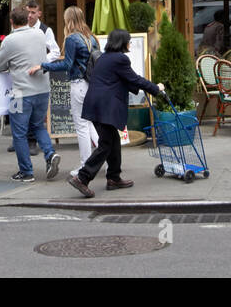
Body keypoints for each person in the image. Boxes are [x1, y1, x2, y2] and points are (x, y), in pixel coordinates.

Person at [66, 29, 165, 197]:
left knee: (112, 142)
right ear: (123, 43)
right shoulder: (121, 59)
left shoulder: (104, 58)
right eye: (128, 41)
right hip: (105, 106)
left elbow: (123, 80)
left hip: (96, 104)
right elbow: (134, 79)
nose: (130, 44)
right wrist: (157, 89)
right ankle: (82, 178)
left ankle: (113, 177)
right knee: (106, 144)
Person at [0, 4, 60, 183]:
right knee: (38, 125)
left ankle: (26, 171)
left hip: (20, 92)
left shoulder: (9, 40)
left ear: (12, 21)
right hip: (43, 89)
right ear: (28, 18)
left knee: (19, 133)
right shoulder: (39, 34)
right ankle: (50, 154)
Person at [37, 6, 100, 174]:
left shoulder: (72, 38)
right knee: (90, 123)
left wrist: (43, 66)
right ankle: (105, 158)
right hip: (91, 84)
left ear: (69, 19)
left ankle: (85, 166)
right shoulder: (91, 37)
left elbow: (67, 64)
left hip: (79, 85)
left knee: (81, 126)